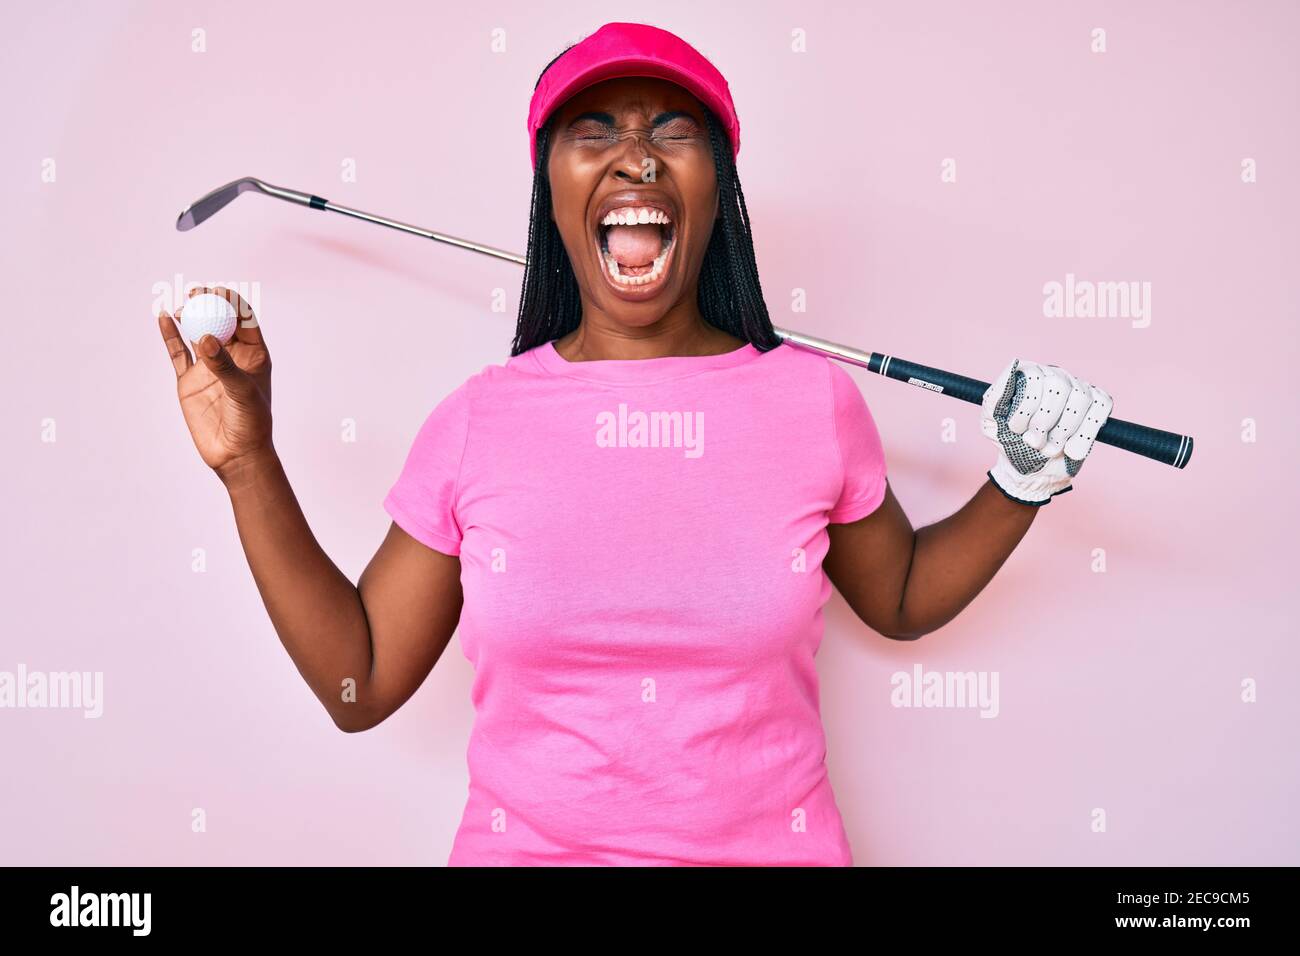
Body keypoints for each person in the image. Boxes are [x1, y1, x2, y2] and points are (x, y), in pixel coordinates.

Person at [156, 22, 1113, 866]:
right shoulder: (477, 422)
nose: (638, 158)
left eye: (674, 130)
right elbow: (357, 682)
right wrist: (249, 464)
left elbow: (899, 597)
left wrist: (1020, 484)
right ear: (552, 185)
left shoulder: (811, 401)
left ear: (717, 185)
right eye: (596, 129)